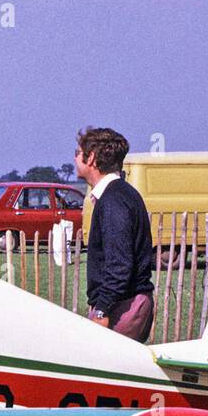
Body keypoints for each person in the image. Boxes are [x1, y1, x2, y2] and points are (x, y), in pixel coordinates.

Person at [75, 126, 154, 342]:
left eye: (78, 153)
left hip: (121, 305)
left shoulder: (113, 201)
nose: (75, 159)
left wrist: (102, 309)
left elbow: (119, 265)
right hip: (124, 301)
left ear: (90, 158)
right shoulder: (121, 193)